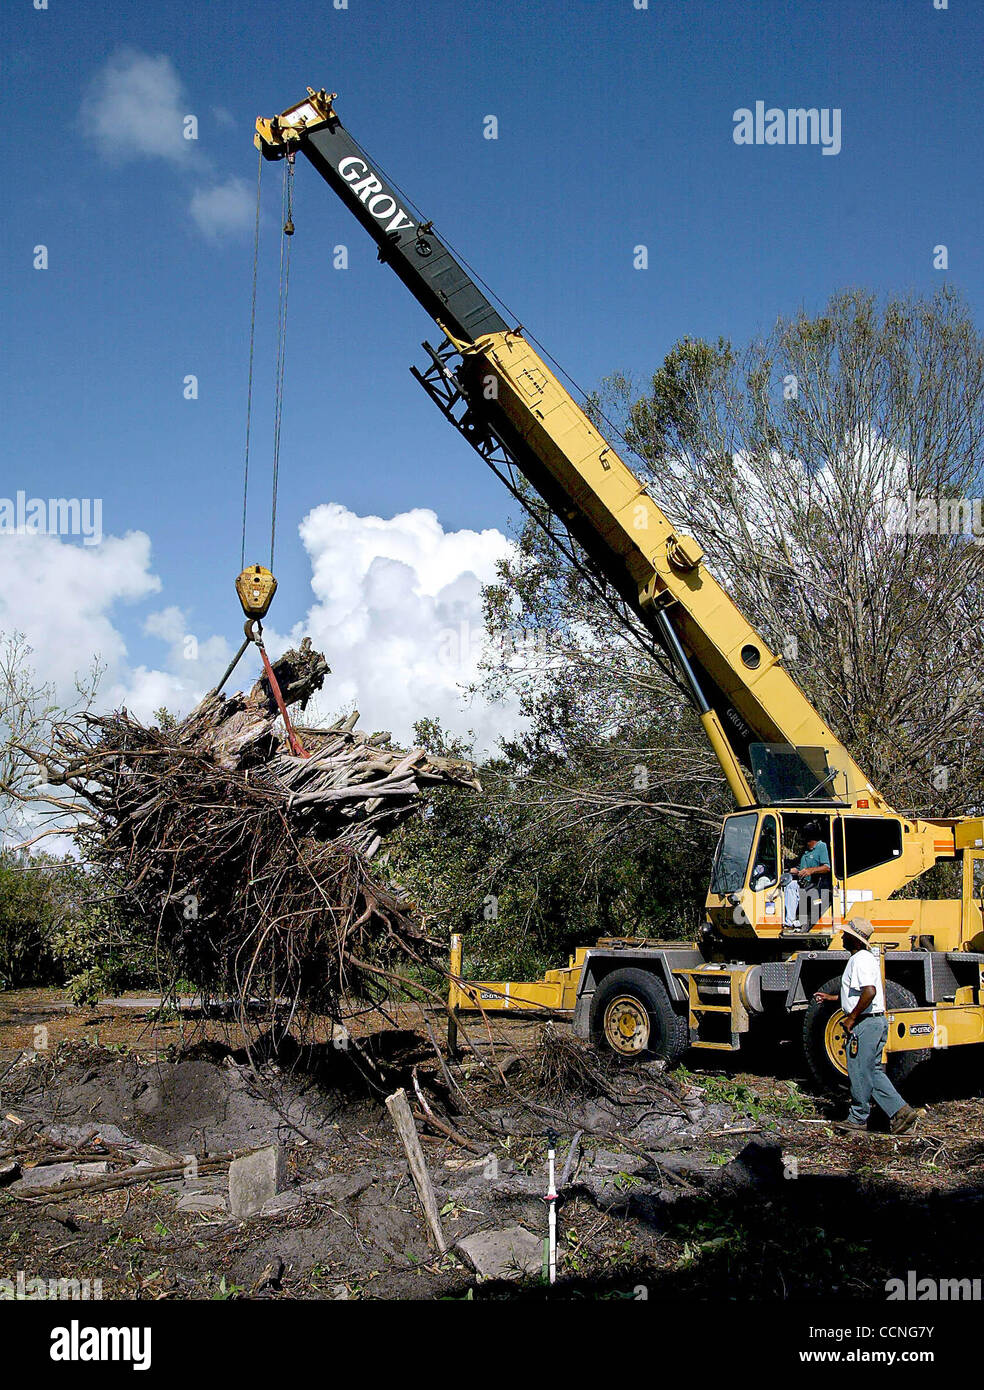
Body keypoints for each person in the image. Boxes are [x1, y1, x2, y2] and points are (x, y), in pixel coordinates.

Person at [813, 917, 921, 1134]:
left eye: (846, 935)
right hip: (875, 1022)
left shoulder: (859, 960)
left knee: (859, 1071)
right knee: (872, 1071)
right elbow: (858, 993)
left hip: (865, 1023)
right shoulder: (866, 958)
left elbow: (869, 992)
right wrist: (831, 998)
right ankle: (902, 1112)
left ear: (856, 940)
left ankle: (858, 1118)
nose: (842, 937)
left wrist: (851, 1018)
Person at [784, 821, 831, 926]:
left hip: (816, 885)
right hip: (804, 883)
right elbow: (800, 868)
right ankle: (789, 920)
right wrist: (789, 870)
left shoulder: (821, 847)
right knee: (788, 886)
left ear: (809, 838)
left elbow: (827, 867)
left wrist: (811, 870)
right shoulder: (805, 851)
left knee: (792, 887)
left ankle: (791, 920)